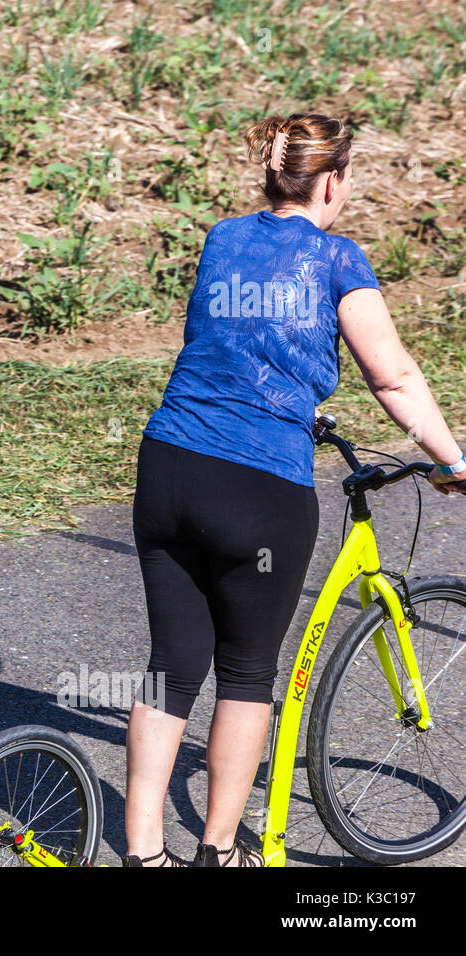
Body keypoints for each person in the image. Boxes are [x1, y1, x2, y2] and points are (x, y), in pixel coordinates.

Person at [123, 113, 466, 867]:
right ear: (335, 180)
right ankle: (219, 850)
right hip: (257, 489)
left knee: (170, 664)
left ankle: (142, 855)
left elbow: (229, 343)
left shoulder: (222, 239)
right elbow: (394, 377)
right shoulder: (338, 258)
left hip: (168, 463)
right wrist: (453, 460)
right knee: (246, 674)